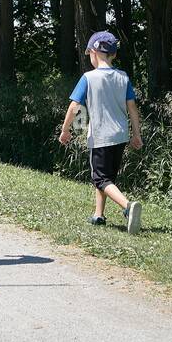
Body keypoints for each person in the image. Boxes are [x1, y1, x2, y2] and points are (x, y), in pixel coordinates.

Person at [58, 31, 143, 234]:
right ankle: (98, 215)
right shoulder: (123, 77)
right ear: (112, 54)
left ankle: (128, 207)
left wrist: (65, 130)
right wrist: (137, 134)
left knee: (100, 179)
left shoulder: (89, 78)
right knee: (107, 177)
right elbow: (132, 108)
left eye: (89, 54)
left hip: (101, 137)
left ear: (94, 52)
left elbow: (74, 107)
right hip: (120, 135)